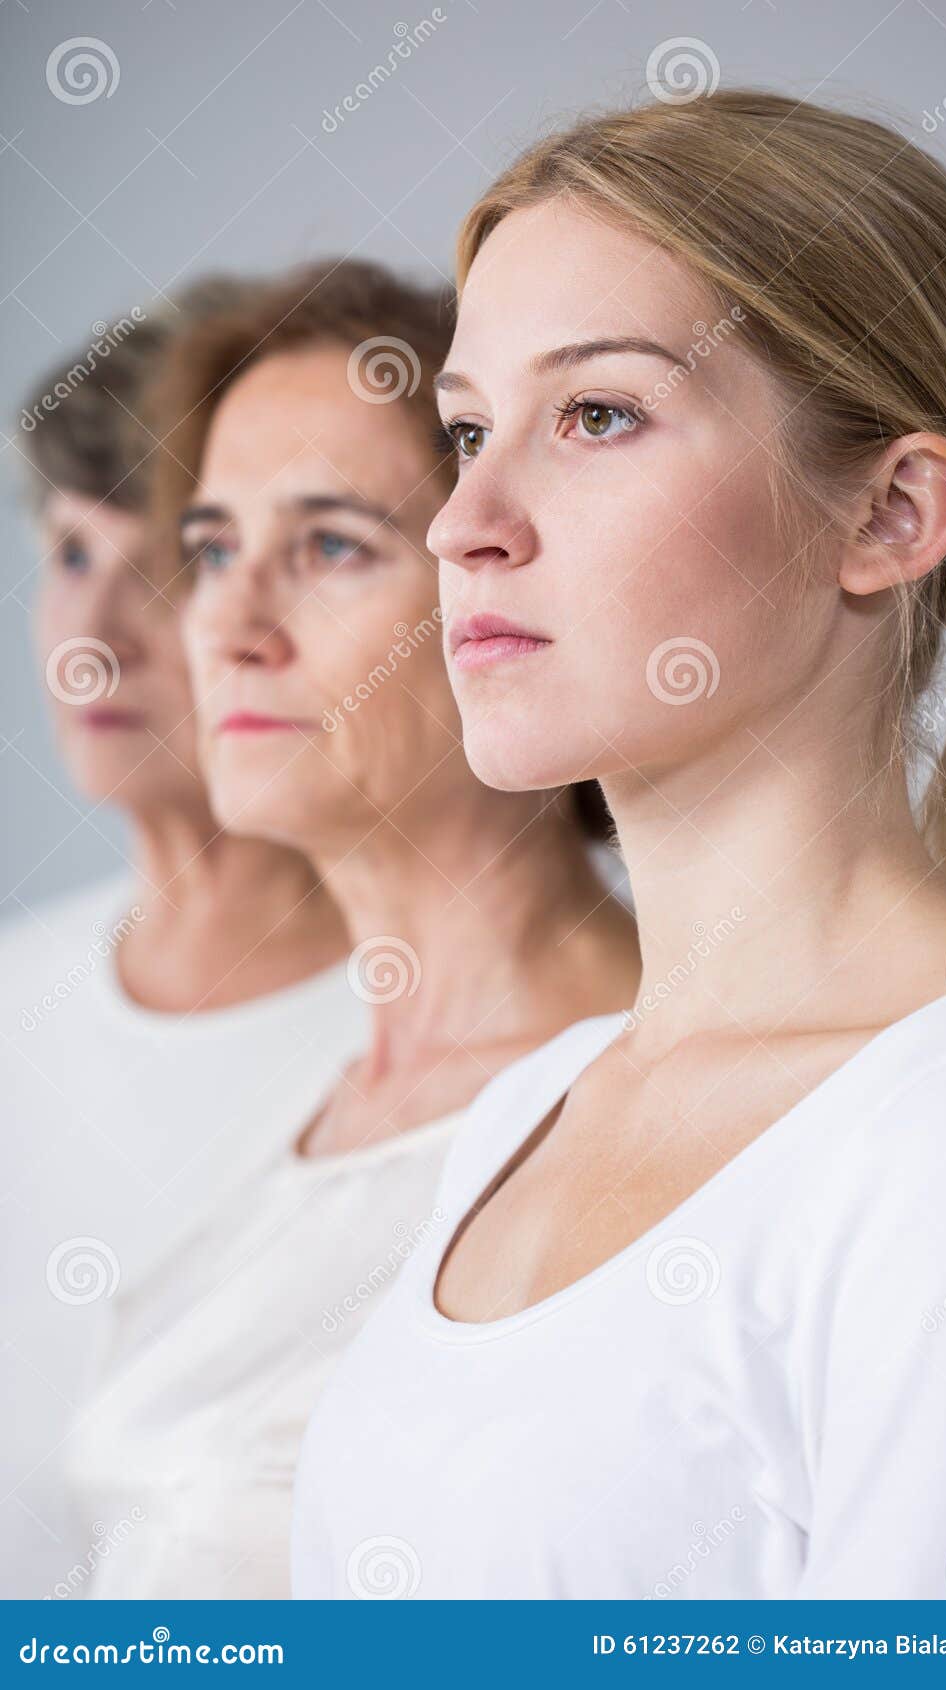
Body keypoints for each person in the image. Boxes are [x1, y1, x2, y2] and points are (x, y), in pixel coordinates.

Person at [292, 91, 946, 1600]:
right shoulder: (529, 1106)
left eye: (597, 413)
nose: (463, 522)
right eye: (466, 429)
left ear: (893, 510)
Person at [63, 258, 639, 1597]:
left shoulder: (650, 1099)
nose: (231, 627)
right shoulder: (317, 1103)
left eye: (329, 545)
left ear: (503, 594)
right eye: (211, 551)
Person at [0, 283, 362, 1600]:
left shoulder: (458, 1040)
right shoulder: (16, 994)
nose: (93, 641)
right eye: (67, 555)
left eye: (164, 563)